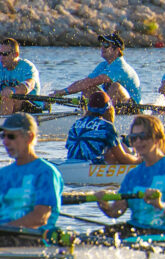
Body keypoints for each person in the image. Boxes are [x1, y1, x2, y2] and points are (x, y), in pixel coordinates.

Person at [95, 115, 165, 242]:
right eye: (134, 138)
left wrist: (159, 204)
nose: (138, 142)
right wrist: (103, 204)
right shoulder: (133, 175)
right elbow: (116, 212)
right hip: (135, 228)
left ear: (157, 138)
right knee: (92, 238)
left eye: (143, 136)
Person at [0, 113, 62, 245]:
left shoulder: (46, 172)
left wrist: (5, 229)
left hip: (33, 238)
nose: (5, 142)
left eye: (11, 136)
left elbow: (40, 218)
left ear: (30, 137)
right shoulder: (3, 174)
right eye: (3, 136)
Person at [51, 32, 142, 106]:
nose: (102, 47)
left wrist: (62, 93)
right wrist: (60, 93)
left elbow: (93, 81)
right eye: (102, 44)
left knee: (115, 86)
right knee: (87, 88)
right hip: (114, 104)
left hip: (132, 108)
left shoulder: (120, 66)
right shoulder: (103, 65)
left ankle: (104, 115)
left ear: (117, 50)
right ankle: (88, 116)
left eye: (106, 45)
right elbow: (86, 82)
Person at [66, 91, 138, 164]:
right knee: (115, 150)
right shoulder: (106, 126)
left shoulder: (76, 124)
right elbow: (123, 158)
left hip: (70, 163)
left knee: (115, 143)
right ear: (108, 108)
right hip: (90, 167)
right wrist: (140, 160)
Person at [0, 38, 44, 115]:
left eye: (5, 54)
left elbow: (29, 85)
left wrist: (13, 91)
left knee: (7, 98)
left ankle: (4, 124)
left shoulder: (27, 67)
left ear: (15, 55)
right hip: (9, 107)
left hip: (31, 105)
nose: (1, 57)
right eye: (0, 53)